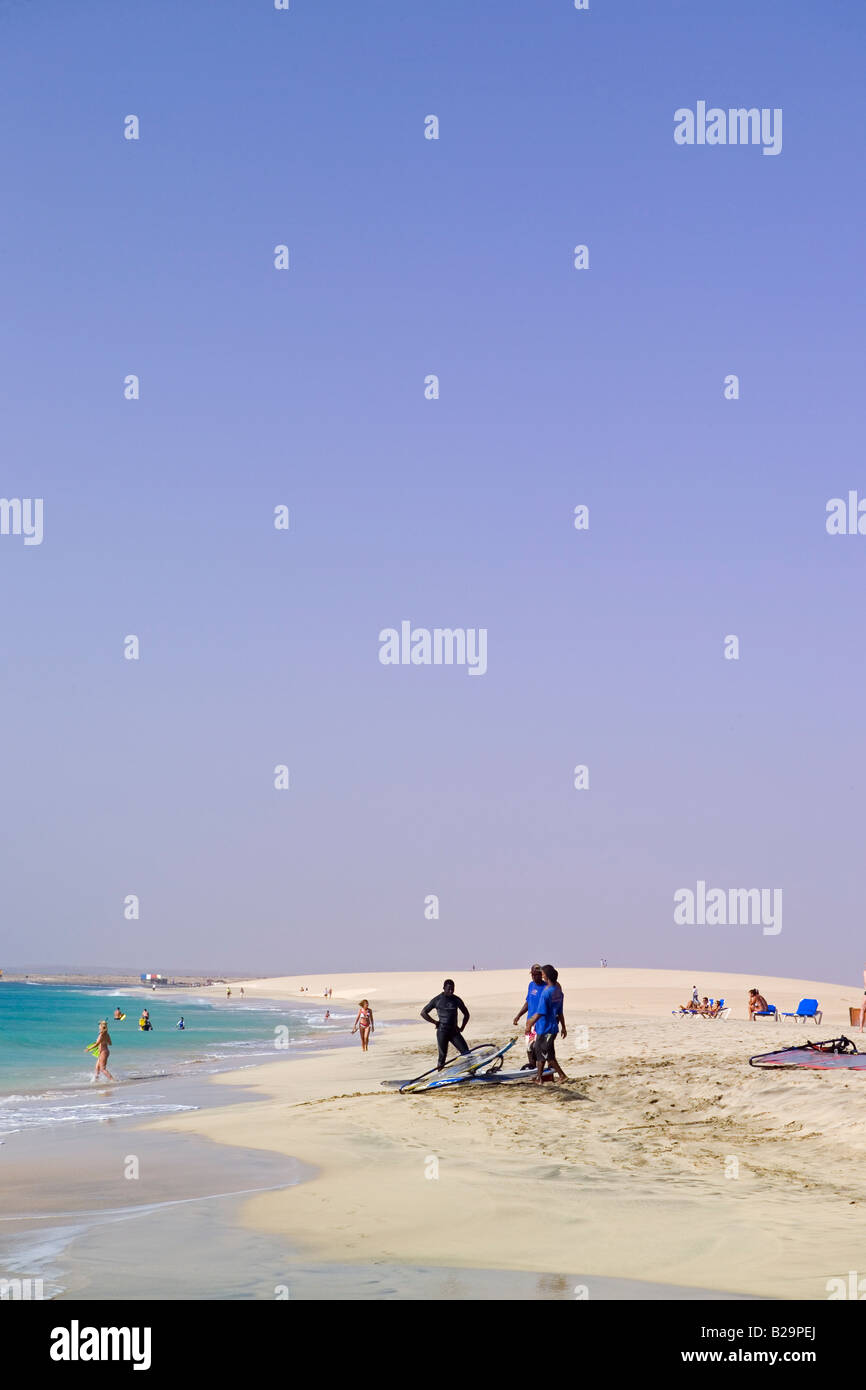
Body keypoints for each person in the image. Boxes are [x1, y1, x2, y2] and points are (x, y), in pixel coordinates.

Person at [527, 965, 568, 1083]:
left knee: (548, 1055)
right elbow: (560, 1011)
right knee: (541, 1052)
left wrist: (529, 1024)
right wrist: (563, 1027)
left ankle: (562, 1075)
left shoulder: (546, 993)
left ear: (547, 976)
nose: (542, 975)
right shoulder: (558, 991)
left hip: (546, 1028)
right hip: (550, 1027)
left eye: (543, 973)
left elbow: (540, 1012)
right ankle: (539, 1078)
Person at [421, 980, 470, 1070]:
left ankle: (471, 1071)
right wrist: (435, 1022)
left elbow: (466, 1014)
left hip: (454, 1032)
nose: (451, 991)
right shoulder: (437, 1000)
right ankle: (440, 1075)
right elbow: (423, 1013)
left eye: (452, 989)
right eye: (449, 989)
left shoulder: (456, 1000)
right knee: (442, 1056)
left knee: (466, 1052)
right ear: (444, 988)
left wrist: (462, 1027)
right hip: (442, 1031)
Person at [513, 964, 546, 1069]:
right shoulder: (531, 985)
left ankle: (540, 1070)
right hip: (530, 1022)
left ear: (541, 975)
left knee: (539, 1047)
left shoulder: (546, 987)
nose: (534, 977)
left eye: (537, 975)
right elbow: (528, 1002)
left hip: (541, 1022)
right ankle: (532, 1066)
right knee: (528, 1046)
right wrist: (518, 1015)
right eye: (533, 975)